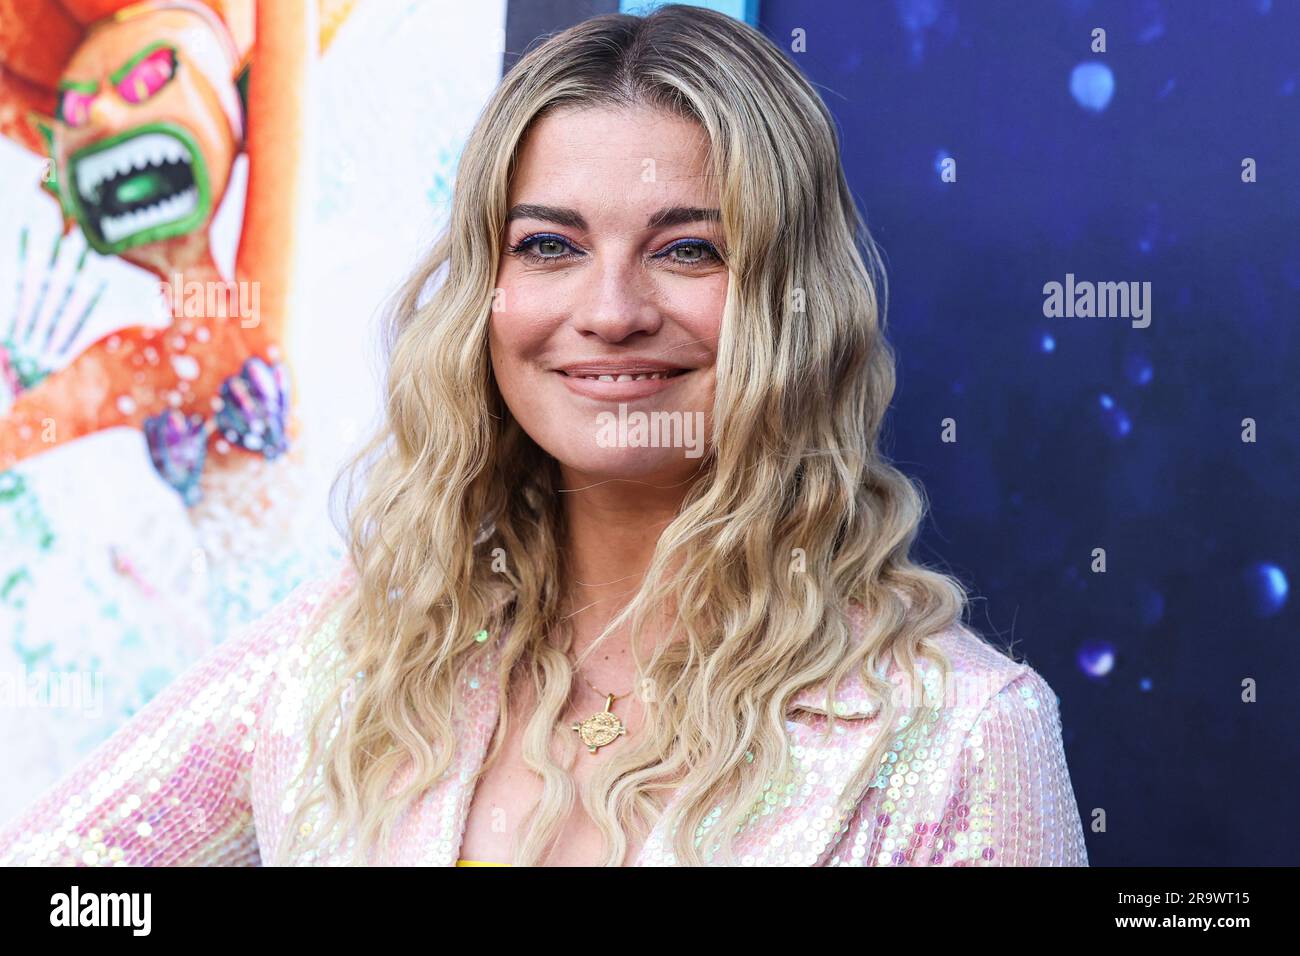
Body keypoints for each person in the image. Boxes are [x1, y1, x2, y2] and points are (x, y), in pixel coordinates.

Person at [0, 4, 1089, 867]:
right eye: (549, 246)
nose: (610, 309)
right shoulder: (342, 657)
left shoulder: (958, 736)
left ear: (792, 299)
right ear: (486, 289)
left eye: (688, 250)